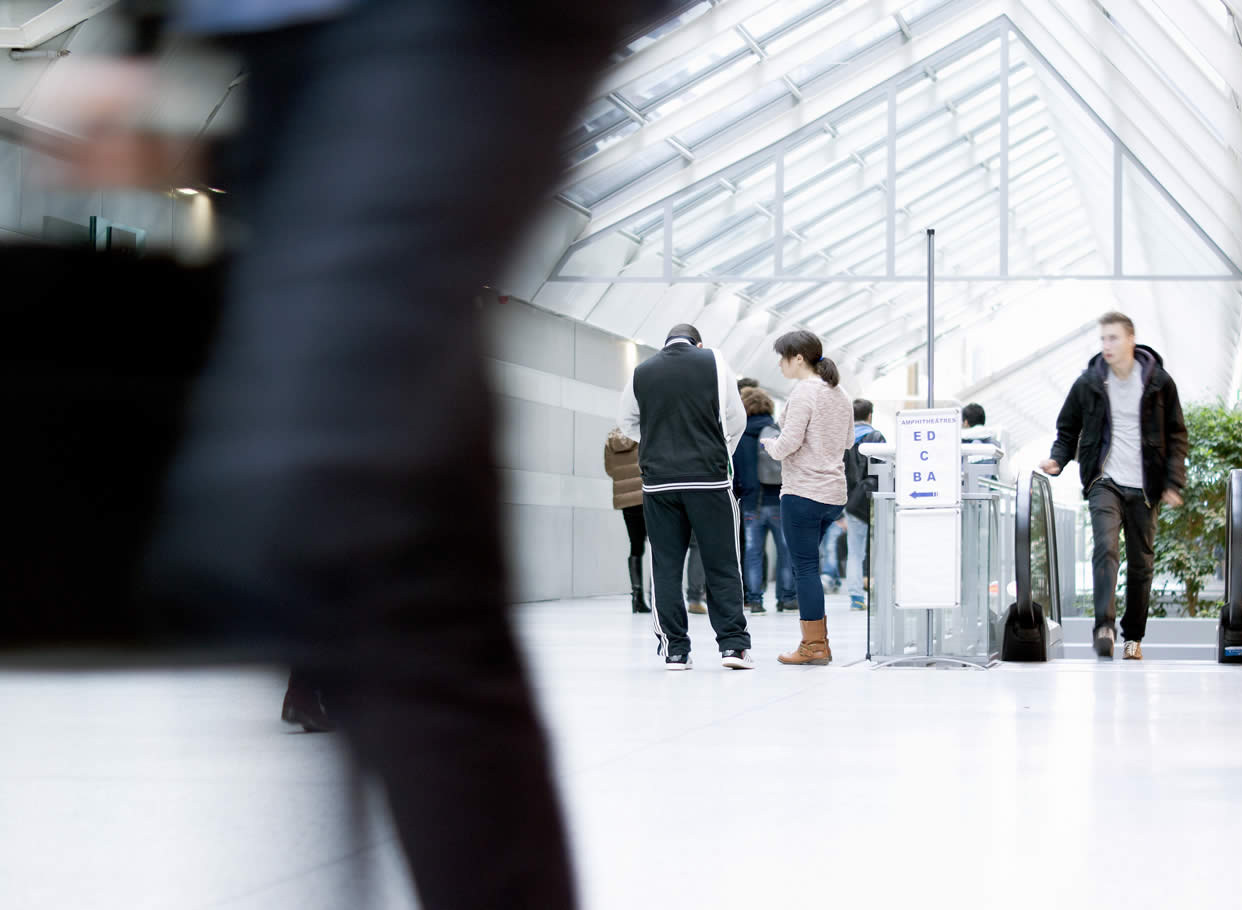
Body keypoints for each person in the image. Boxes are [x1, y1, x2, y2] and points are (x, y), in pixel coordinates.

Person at [8, 1, 675, 906]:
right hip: (286, 42)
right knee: (418, 571)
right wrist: (139, 36)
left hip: (450, 29)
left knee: (345, 501)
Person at [1040, 311, 1187, 660]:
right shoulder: (1088, 383)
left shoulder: (1158, 383)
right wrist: (1058, 459)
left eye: (1113, 338)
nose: (1106, 345)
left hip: (1146, 485)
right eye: (1103, 338)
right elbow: (1068, 427)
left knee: (1141, 565)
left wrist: (1172, 481)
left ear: (1130, 340)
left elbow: (1177, 435)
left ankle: (1133, 638)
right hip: (1103, 479)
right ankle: (1104, 627)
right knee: (1105, 548)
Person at [618, 323, 752, 670]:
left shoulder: (641, 371)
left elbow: (627, 423)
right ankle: (733, 648)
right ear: (699, 343)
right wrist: (722, 453)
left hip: (658, 483)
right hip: (709, 480)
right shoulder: (714, 361)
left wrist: (656, 441)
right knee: (722, 563)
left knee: (664, 565)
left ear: (664, 344)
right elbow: (736, 417)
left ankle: (676, 650)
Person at [762, 331, 855, 666]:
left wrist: (769, 446)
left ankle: (814, 645)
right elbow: (846, 442)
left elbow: (788, 443)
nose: (780, 364)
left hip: (803, 491)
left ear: (798, 358)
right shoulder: (840, 392)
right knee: (809, 565)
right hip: (833, 494)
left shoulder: (803, 392)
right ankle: (818, 643)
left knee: (805, 567)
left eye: (782, 357)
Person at [735, 386, 796, 615]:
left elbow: (735, 471)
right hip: (780, 499)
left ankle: (755, 600)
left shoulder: (739, 434)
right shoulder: (778, 431)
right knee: (785, 550)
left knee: (752, 552)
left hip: (751, 503)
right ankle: (786, 598)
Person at [843, 398, 886, 610]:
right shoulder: (876, 437)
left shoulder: (843, 439)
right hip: (876, 501)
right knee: (880, 549)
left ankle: (856, 598)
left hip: (851, 503)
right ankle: (880, 592)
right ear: (870, 415)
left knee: (855, 551)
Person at [604, 427, 650, 614]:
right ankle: (657, 595)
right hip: (646, 496)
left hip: (626, 500)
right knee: (658, 545)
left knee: (636, 545)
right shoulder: (644, 434)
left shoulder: (611, 440)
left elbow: (609, 470)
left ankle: (637, 598)